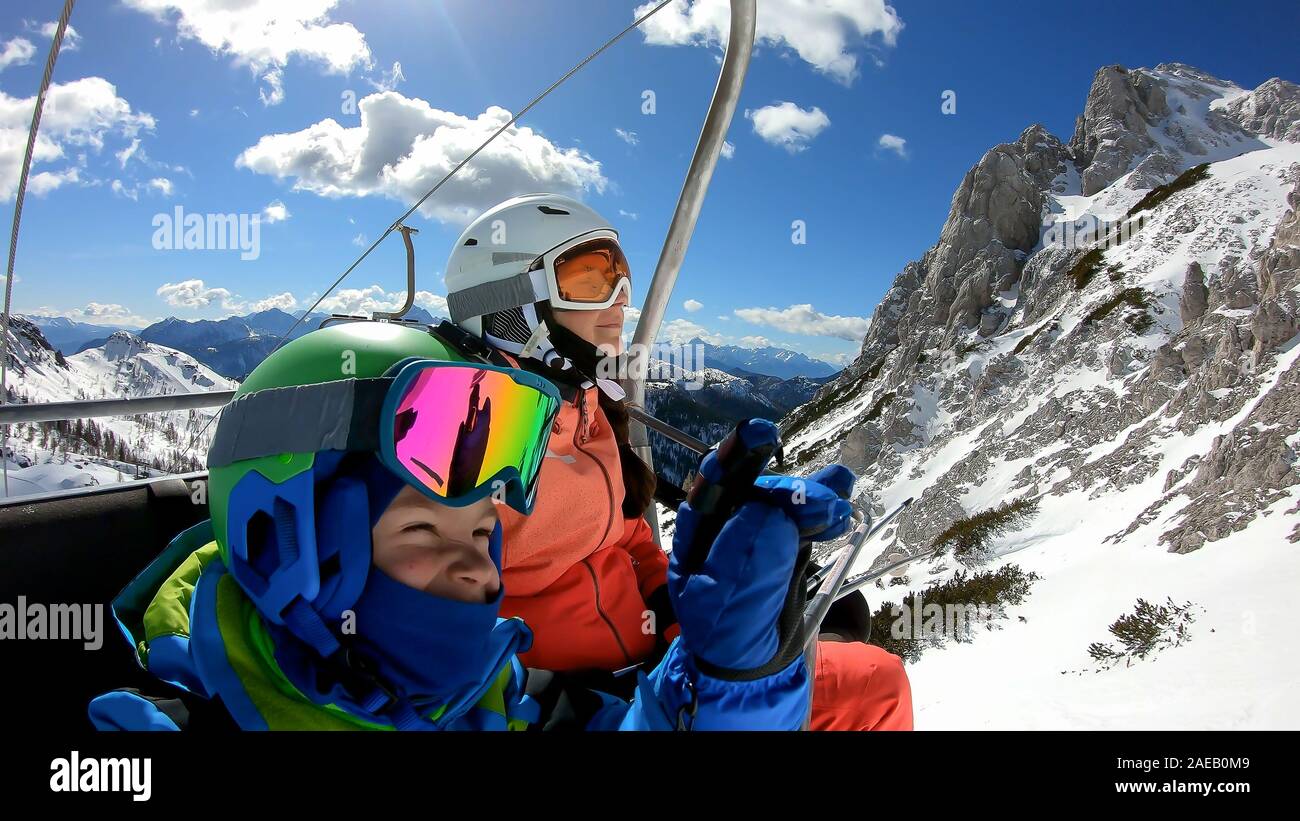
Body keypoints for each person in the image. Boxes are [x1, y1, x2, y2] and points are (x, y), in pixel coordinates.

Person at [89, 321, 844, 730]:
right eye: (422, 532)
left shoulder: (495, 688)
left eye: (485, 534)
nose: (481, 574)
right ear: (283, 545)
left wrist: (728, 682)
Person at [444, 193, 914, 730]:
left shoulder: (588, 408)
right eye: (591, 279)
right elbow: (443, 627)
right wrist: (567, 701)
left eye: (622, 278)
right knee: (867, 681)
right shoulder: (467, 433)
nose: (620, 300)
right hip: (572, 699)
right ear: (509, 301)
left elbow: (631, 540)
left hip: (649, 660)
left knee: (866, 668)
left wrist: (682, 611)